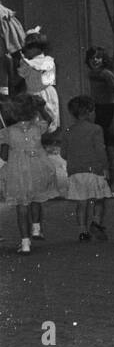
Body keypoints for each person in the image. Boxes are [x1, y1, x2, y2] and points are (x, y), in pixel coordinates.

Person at [0, 93, 60, 252]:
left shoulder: (8, 132)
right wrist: (41, 108)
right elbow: (49, 120)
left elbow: (4, 155)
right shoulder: (37, 128)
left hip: (17, 171)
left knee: (22, 204)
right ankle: (36, 227)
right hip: (37, 168)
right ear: (33, 111)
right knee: (36, 197)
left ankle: (25, 243)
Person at [55, 95, 114, 241]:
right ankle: (96, 222)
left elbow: (63, 153)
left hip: (75, 172)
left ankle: (82, 231)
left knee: (81, 203)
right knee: (99, 199)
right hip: (94, 170)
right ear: (89, 111)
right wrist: (105, 167)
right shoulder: (96, 129)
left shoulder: (68, 131)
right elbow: (100, 150)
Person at [18, 30, 59, 131]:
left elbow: (48, 80)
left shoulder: (43, 62)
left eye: (28, 48)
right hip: (35, 93)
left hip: (42, 94)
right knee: (35, 122)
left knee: (44, 119)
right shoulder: (29, 63)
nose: (25, 51)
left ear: (37, 49)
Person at [85, 47, 114, 149]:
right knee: (101, 144)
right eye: (92, 58)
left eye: (98, 57)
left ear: (103, 59)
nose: (95, 60)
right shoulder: (91, 74)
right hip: (99, 110)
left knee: (111, 147)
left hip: (110, 111)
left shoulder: (107, 75)